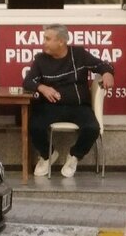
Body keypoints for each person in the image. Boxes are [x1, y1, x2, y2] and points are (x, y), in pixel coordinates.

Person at [23, 24, 114, 178]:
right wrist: (42, 87)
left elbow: (102, 65)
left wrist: (107, 73)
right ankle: (48, 155)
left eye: (47, 39)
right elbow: (28, 82)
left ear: (61, 42)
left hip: (78, 107)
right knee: (34, 125)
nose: (43, 42)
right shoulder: (41, 59)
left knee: (92, 128)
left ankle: (74, 156)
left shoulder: (79, 54)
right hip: (51, 107)